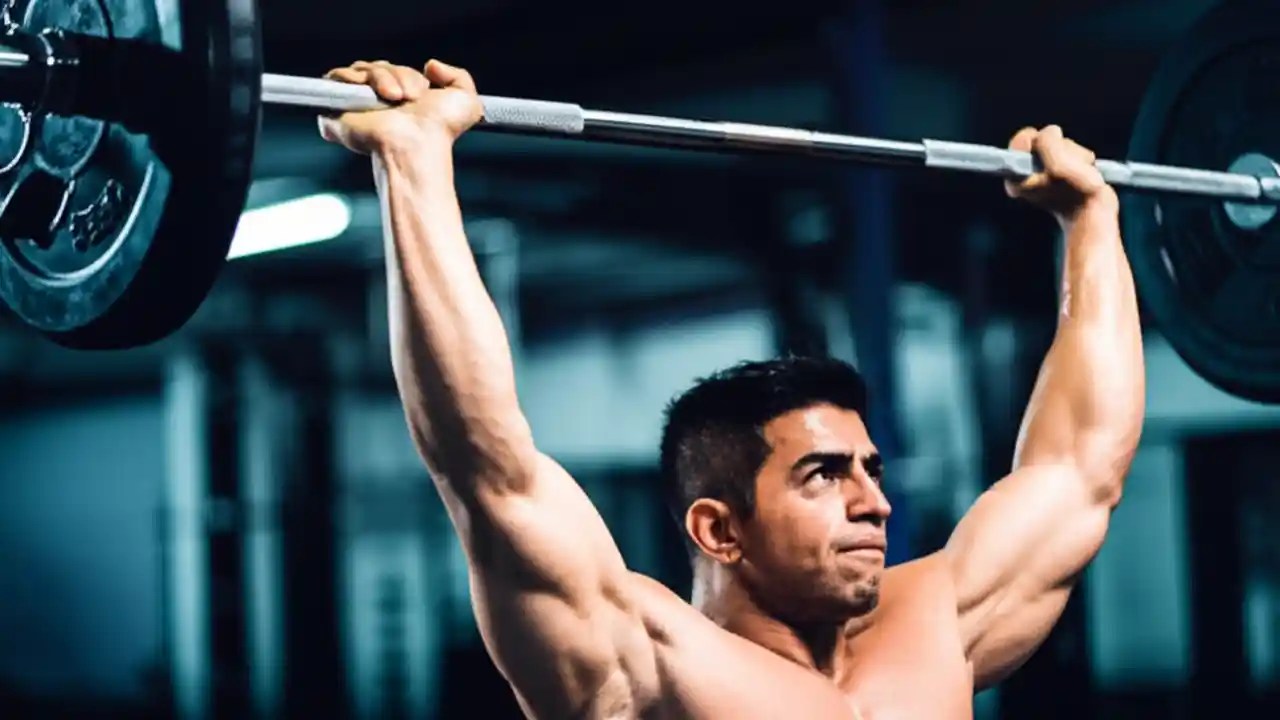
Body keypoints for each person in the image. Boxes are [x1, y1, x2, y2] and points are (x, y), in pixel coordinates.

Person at [319, 58, 1144, 719]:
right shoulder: (646, 669)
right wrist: (414, 165)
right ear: (718, 530)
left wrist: (1092, 221)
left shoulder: (937, 624)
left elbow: (1081, 468)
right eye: (825, 474)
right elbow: (487, 469)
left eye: (871, 469)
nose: (874, 504)